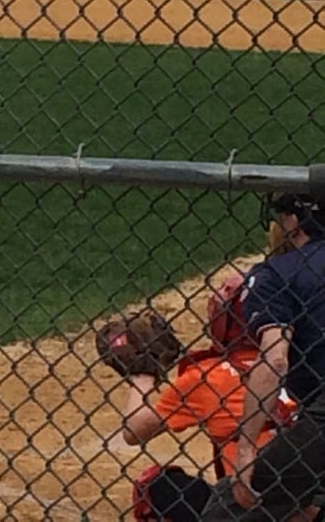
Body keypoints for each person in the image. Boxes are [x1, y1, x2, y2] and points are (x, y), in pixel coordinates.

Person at [118, 271, 303, 521]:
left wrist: (141, 375)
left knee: (155, 488)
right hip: (309, 498)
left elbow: (134, 431)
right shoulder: (305, 363)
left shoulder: (209, 376)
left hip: (251, 507)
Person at [202, 193, 325, 521]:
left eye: (283, 214)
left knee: (229, 507)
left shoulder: (277, 272)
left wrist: (246, 450)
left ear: (295, 221)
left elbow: (276, 359)